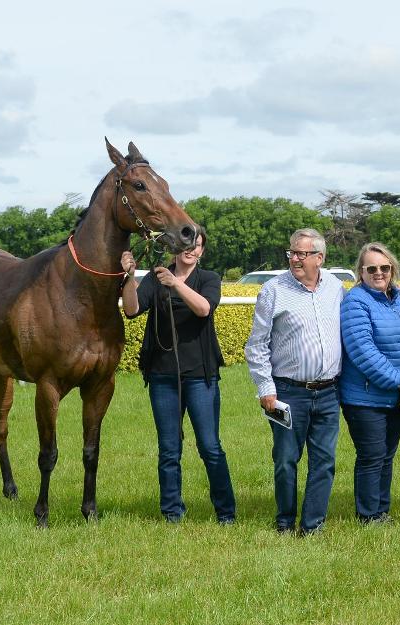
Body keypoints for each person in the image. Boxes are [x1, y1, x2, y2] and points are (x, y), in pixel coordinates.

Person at [121, 227, 235, 524]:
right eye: (187, 243)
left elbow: (204, 308)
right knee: (169, 449)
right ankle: (172, 512)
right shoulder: (155, 278)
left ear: (202, 252)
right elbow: (132, 310)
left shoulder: (208, 279)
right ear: (176, 247)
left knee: (210, 447)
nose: (192, 249)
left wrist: (175, 284)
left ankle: (226, 512)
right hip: (162, 377)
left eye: (197, 245)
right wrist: (129, 277)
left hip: (200, 376)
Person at [244, 228, 345, 535]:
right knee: (286, 460)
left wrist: (395, 292)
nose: (295, 259)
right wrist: (266, 389)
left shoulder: (336, 287)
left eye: (302, 254)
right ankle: (285, 522)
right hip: (288, 392)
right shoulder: (273, 290)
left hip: (329, 392)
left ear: (320, 257)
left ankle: (312, 525)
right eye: (292, 253)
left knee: (324, 461)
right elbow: (256, 345)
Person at [340, 242, 400, 523]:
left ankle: (381, 511)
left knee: (387, 455)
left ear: (392, 269)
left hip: (396, 393)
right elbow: (362, 351)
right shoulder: (355, 302)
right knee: (372, 456)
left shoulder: (398, 299)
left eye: (385, 267)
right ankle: (368, 515)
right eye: (372, 269)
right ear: (361, 272)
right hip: (364, 397)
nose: (379, 273)